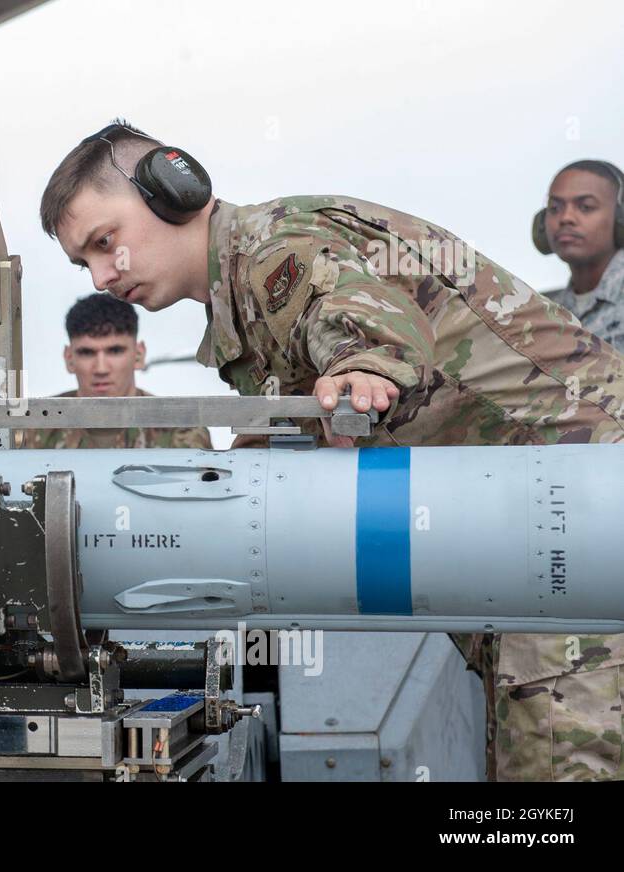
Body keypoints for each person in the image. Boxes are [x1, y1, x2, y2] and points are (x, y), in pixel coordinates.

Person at [37, 120, 624, 781]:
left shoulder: (273, 251)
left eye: (104, 242)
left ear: (172, 190)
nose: (99, 275)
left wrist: (361, 368)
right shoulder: (242, 297)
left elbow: (351, 315)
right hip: (528, 556)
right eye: (81, 261)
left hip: (578, 532)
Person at [17, 293, 211, 450]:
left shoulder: (180, 431)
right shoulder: (35, 429)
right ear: (69, 359)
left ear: (138, 355)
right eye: (87, 353)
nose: (101, 368)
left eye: (115, 351)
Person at [537, 160, 624, 347]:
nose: (566, 218)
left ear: (620, 218)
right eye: (554, 208)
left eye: (585, 207)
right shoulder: (539, 313)